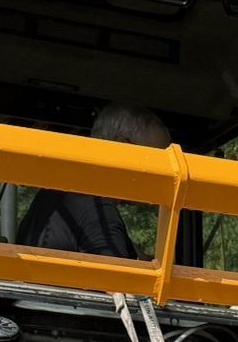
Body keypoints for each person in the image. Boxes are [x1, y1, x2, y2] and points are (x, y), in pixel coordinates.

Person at [18, 102, 172, 259]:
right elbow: (117, 280)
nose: (164, 174)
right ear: (123, 148)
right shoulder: (97, 212)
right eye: (157, 161)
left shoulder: (56, 195)